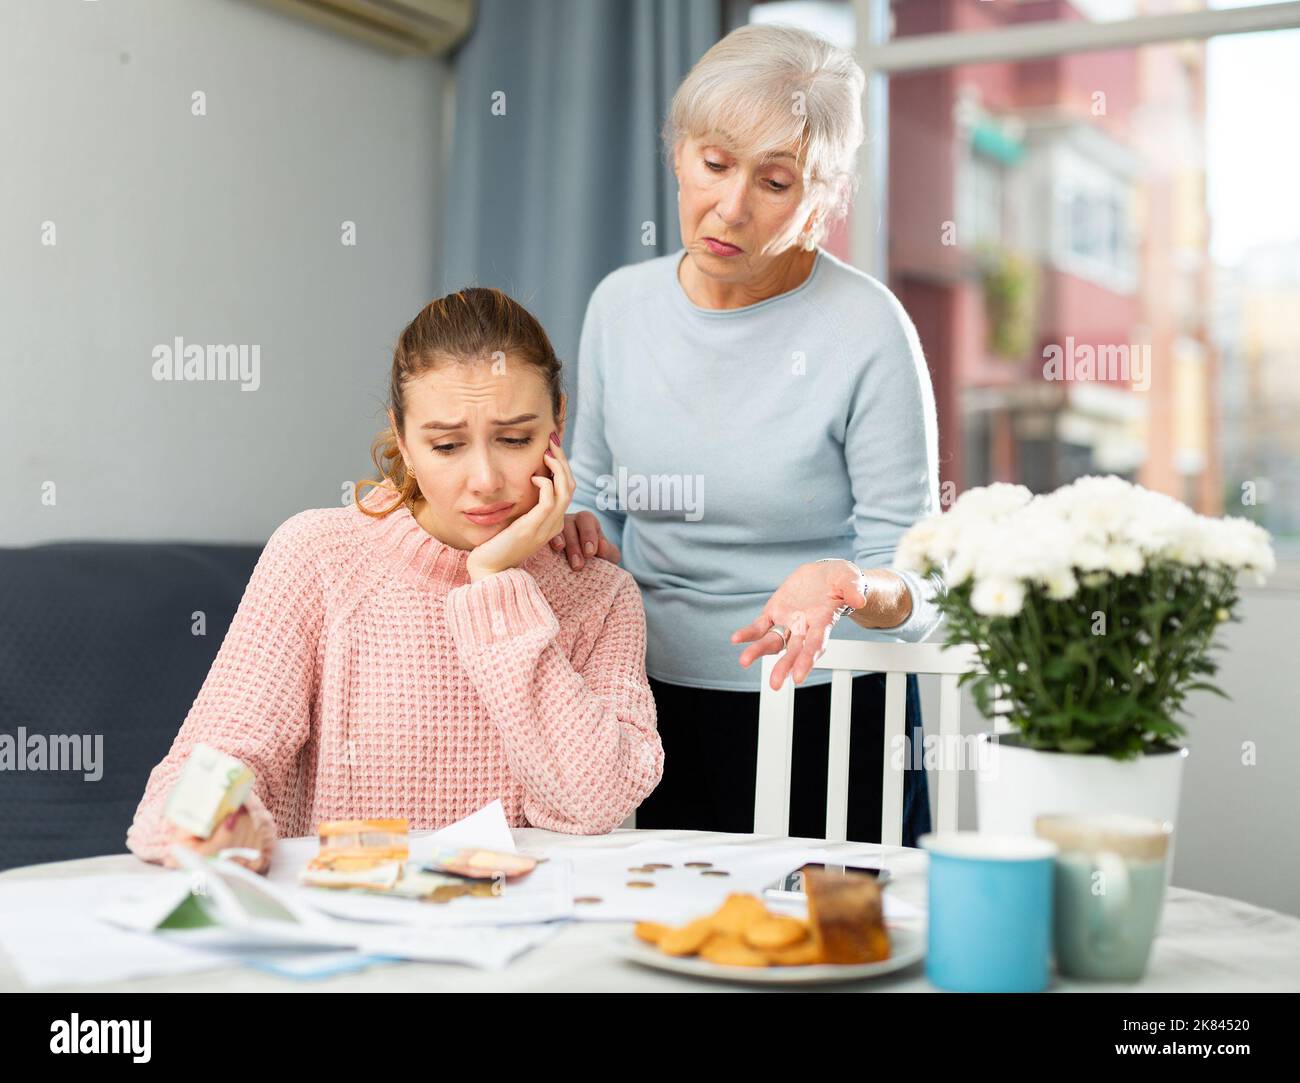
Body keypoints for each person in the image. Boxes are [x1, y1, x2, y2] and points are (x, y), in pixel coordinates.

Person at [551, 24, 943, 845]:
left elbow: (917, 579)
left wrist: (847, 584)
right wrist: (577, 531)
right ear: (678, 152)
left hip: (831, 704)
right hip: (655, 698)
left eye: (774, 181)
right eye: (714, 164)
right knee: (676, 956)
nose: (730, 206)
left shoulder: (868, 328)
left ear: (822, 201)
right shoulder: (618, 306)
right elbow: (600, 504)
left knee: (843, 957)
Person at [126, 288, 663, 873]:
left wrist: (493, 584)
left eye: (514, 439)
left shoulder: (600, 596)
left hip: (512, 943)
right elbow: (208, 763)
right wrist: (214, 823)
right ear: (403, 441)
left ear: (558, 426)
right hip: (347, 939)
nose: (484, 479)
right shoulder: (319, 556)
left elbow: (595, 802)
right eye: (447, 445)